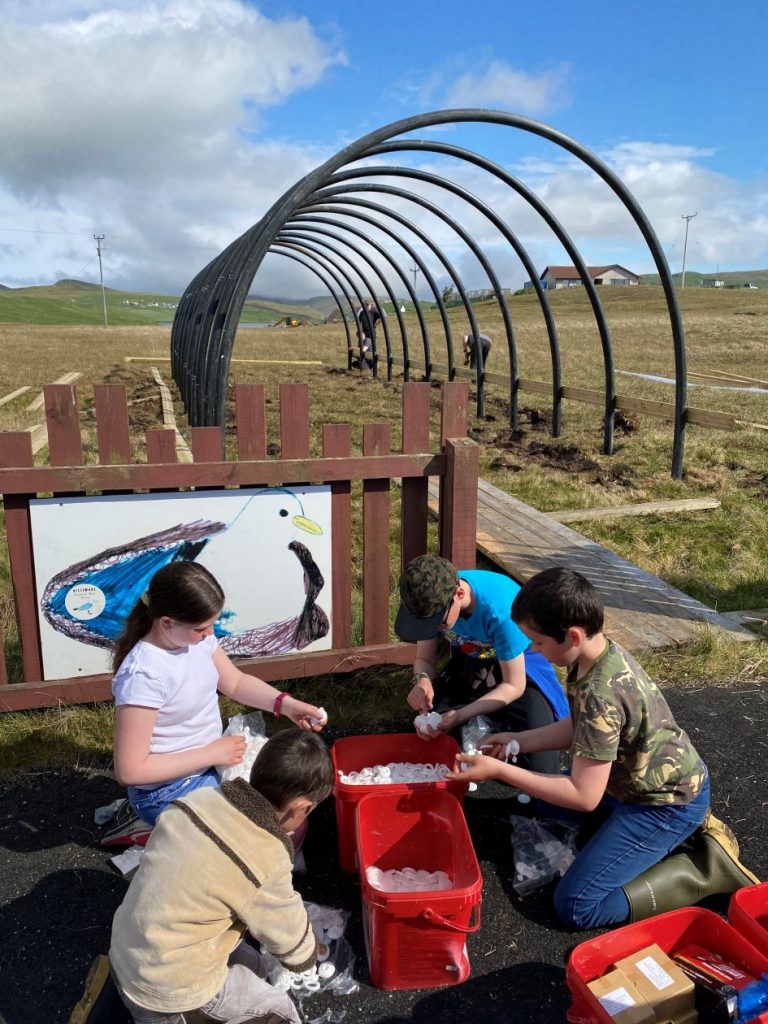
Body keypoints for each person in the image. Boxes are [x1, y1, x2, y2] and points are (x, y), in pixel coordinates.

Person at [452, 566, 759, 929]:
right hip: (629, 781)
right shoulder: (596, 656)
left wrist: (503, 771)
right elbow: (580, 727)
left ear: (573, 636)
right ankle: (643, 839)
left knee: (576, 905)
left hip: (664, 804)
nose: (533, 649)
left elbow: (584, 795)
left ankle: (703, 871)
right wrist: (518, 741)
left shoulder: (600, 693)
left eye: (538, 642)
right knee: (546, 803)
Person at [110, 729, 334, 1023]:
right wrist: (308, 951)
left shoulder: (198, 800)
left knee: (253, 964)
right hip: (168, 994)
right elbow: (288, 935)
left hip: (127, 952)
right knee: (280, 1010)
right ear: (301, 808)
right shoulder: (265, 855)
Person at [109, 561, 326, 834]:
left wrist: (286, 704)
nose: (210, 633)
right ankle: (154, 834)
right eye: (202, 628)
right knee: (268, 834)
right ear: (166, 622)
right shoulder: (143, 674)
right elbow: (130, 771)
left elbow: (234, 682)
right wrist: (210, 753)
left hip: (210, 764)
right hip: (167, 789)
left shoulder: (195, 640)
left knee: (288, 819)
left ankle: (173, 837)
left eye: (212, 624)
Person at [394, 554, 569, 773]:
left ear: (459, 594)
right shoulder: (432, 602)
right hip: (471, 663)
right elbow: (424, 659)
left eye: (438, 624)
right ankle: (485, 722)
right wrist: (421, 680)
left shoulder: (501, 612)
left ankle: (492, 736)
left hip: (522, 668)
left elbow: (513, 685)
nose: (436, 630)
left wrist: (460, 715)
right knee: (426, 735)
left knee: (541, 765)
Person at [357, 299, 380, 369]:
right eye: (365, 305)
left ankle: (371, 364)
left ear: (371, 305)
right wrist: (360, 332)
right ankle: (363, 363)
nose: (366, 306)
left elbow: (381, 318)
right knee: (361, 346)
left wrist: (375, 325)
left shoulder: (374, 312)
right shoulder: (362, 313)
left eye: (367, 304)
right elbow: (360, 323)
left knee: (369, 347)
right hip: (364, 332)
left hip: (371, 333)